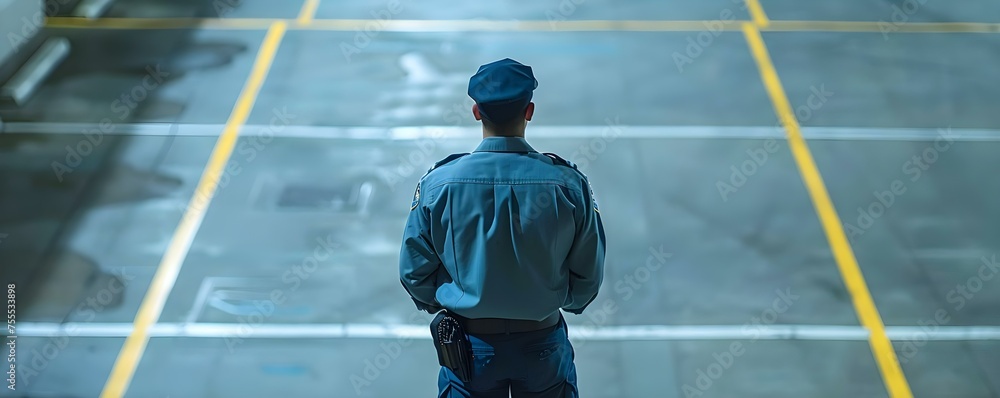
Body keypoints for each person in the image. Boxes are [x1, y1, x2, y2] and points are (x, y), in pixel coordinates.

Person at [399, 58, 606, 398]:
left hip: (469, 347)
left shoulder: (439, 185)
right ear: (530, 111)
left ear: (476, 111)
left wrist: (455, 297)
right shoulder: (568, 185)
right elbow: (588, 277)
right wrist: (552, 296)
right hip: (542, 343)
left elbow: (414, 274)